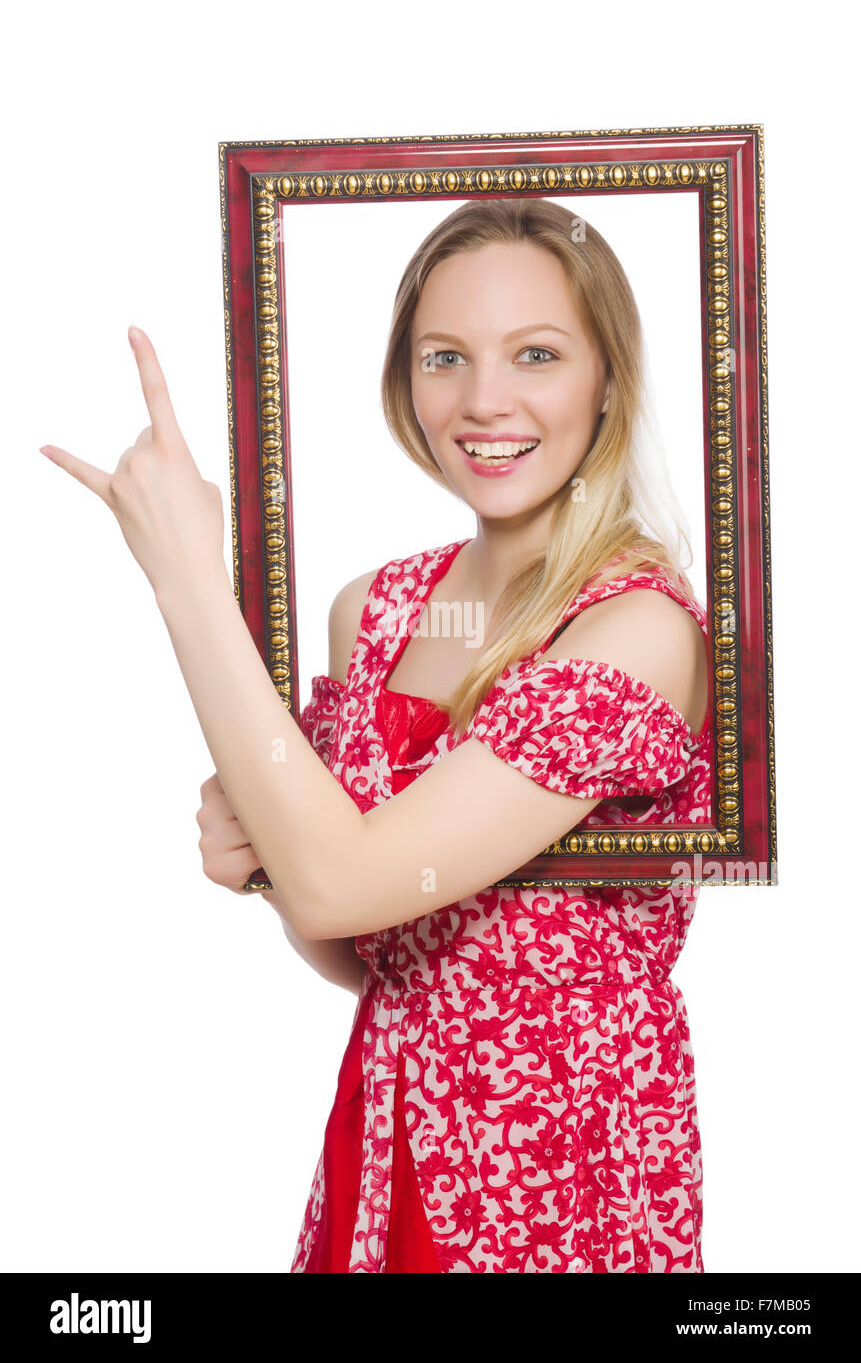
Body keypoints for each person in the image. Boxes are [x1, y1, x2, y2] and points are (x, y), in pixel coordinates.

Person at [43, 197, 710, 1275]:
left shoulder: (634, 627)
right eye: (444, 356)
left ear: (608, 382)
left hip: (557, 1159)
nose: (483, 401)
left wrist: (184, 576)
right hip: (388, 1121)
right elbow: (366, 941)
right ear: (406, 379)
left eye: (535, 353)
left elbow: (340, 882)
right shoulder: (385, 610)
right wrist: (265, 854)